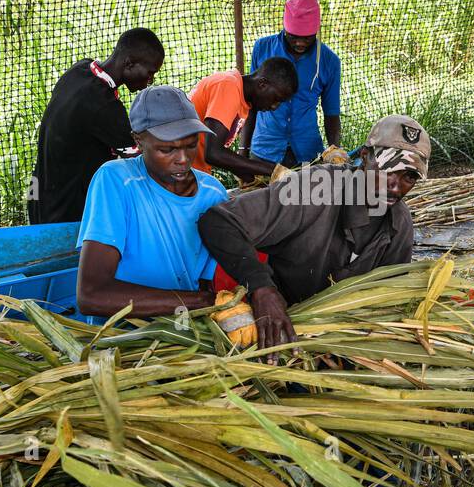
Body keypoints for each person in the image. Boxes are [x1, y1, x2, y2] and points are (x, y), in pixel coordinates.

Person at [198, 115, 430, 353]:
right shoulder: (314, 189)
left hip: (337, 337)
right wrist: (261, 288)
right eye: (387, 170)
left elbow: (389, 297)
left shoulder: (399, 223)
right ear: (364, 157)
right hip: (276, 323)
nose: (395, 185)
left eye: (409, 176)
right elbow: (218, 221)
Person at [75, 86, 228, 318]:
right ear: (139, 140)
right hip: (123, 340)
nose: (183, 160)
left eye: (190, 145)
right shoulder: (116, 181)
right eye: (167, 149)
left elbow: (210, 281)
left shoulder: (212, 193)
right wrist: (198, 302)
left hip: (185, 333)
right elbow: (91, 294)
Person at [29, 28, 164, 225]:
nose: (151, 80)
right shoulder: (103, 105)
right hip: (65, 211)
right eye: (150, 72)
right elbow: (144, 160)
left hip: (39, 195)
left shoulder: (80, 70)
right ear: (129, 64)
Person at [246, 0, 346, 168]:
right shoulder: (263, 48)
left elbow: (331, 113)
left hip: (307, 152)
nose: (300, 42)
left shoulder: (329, 61)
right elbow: (250, 104)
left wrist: (335, 151)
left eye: (307, 38)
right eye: (293, 37)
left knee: (305, 196)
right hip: (264, 151)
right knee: (260, 196)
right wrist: (243, 152)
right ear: (285, 28)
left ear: (316, 32)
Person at [189, 58, 299, 181]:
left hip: (195, 172)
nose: (274, 107)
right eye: (276, 99)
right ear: (262, 84)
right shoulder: (228, 86)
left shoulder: (243, 98)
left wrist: (249, 178)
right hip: (180, 173)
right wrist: (274, 170)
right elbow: (213, 153)